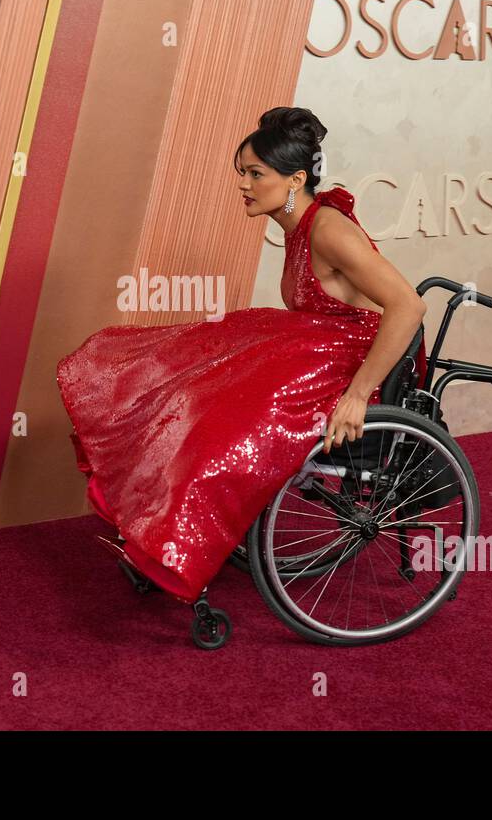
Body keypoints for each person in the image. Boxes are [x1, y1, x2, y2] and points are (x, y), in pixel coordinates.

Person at [56, 106, 427, 603]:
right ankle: (153, 523)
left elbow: (408, 305)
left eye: (256, 174)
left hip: (355, 366)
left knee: (221, 420)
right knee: (189, 381)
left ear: (295, 178)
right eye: (242, 174)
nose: (244, 185)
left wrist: (359, 396)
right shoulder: (300, 226)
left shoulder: (328, 228)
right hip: (318, 351)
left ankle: (176, 542)